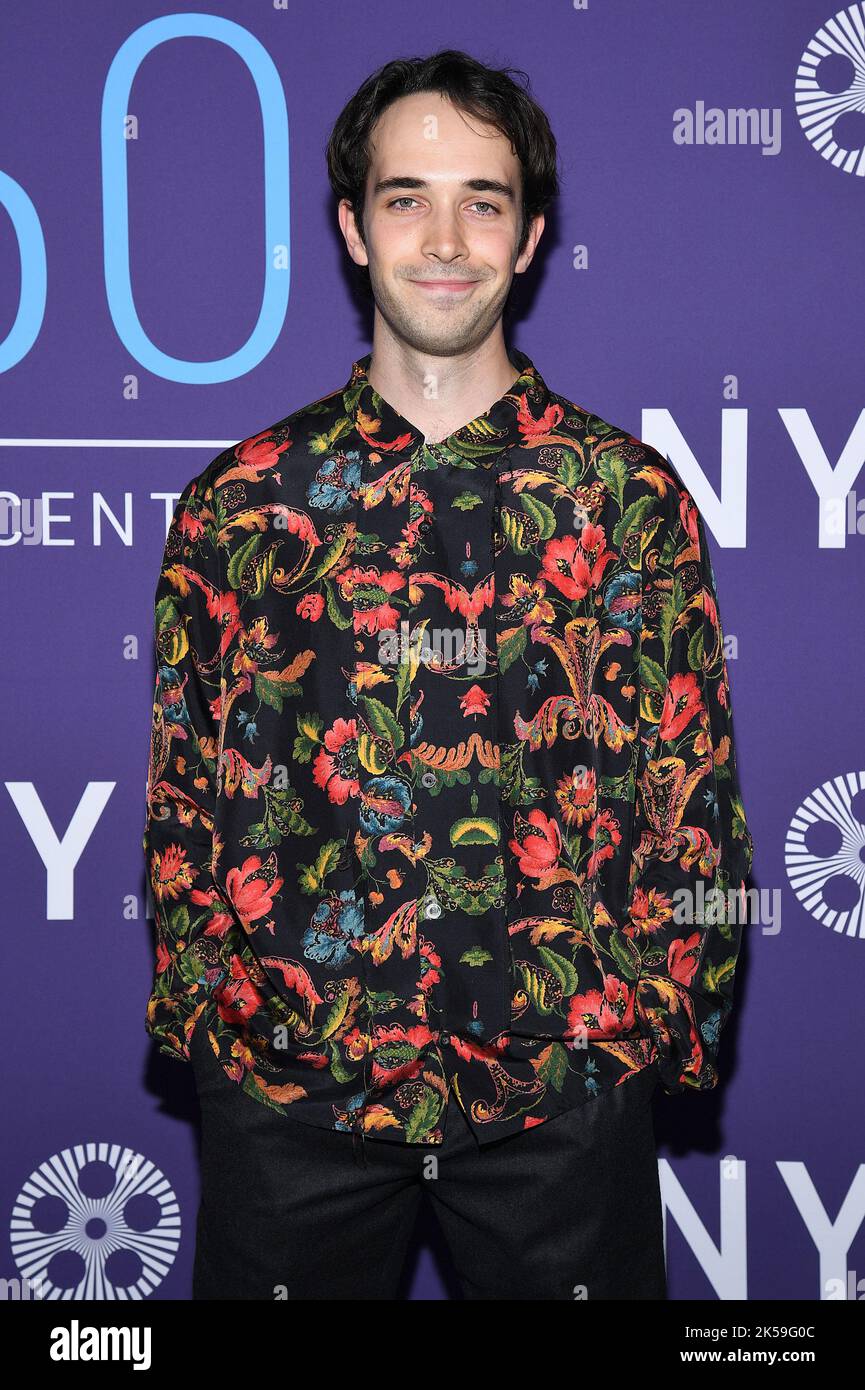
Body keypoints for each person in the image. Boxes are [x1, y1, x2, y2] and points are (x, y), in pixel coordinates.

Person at [143, 49, 753, 1301]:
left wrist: (650, 1036)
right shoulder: (242, 501)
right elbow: (181, 794)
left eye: (483, 199)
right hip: (289, 1097)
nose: (444, 237)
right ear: (351, 229)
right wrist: (213, 1025)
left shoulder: (621, 499)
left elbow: (692, 791)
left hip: (560, 1101)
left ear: (528, 238)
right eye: (405, 196)